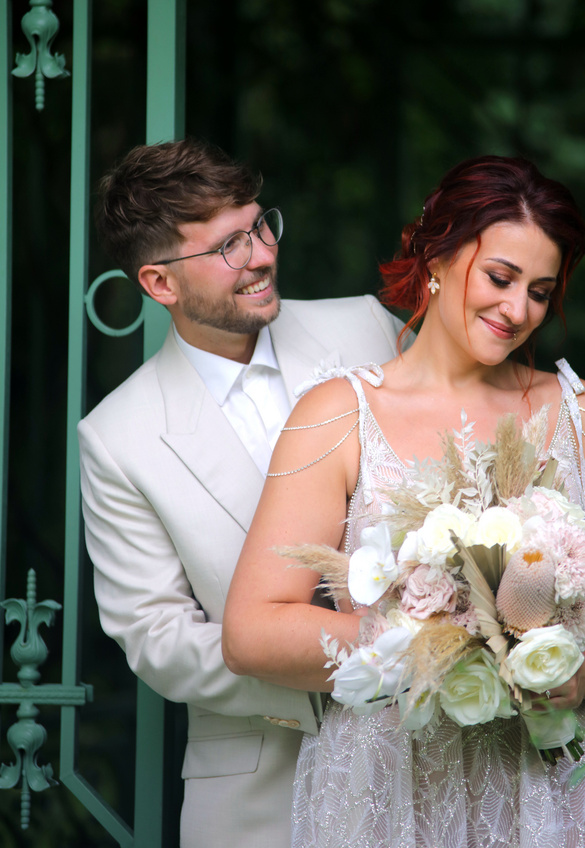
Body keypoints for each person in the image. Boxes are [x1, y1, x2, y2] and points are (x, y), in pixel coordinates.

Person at [222, 155, 585, 848]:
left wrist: (578, 677)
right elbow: (251, 630)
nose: (518, 310)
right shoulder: (337, 414)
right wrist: (433, 646)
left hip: (546, 787)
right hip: (388, 782)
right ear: (437, 257)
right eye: (500, 278)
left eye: (541, 292)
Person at [78, 138, 408, 848]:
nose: (260, 256)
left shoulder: (366, 327)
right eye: (228, 246)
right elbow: (157, 635)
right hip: (263, 784)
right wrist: (348, 664)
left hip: (437, 751)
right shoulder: (117, 437)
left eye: (260, 226)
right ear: (160, 284)